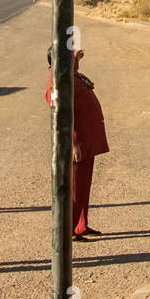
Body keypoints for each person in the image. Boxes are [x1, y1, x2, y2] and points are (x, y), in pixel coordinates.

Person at [46, 44, 109, 240]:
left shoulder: (67, 75)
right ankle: (69, 229)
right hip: (77, 144)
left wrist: (76, 61)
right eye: (69, 57)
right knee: (73, 187)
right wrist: (73, 143)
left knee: (82, 186)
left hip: (85, 141)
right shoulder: (58, 81)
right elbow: (62, 114)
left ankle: (81, 224)